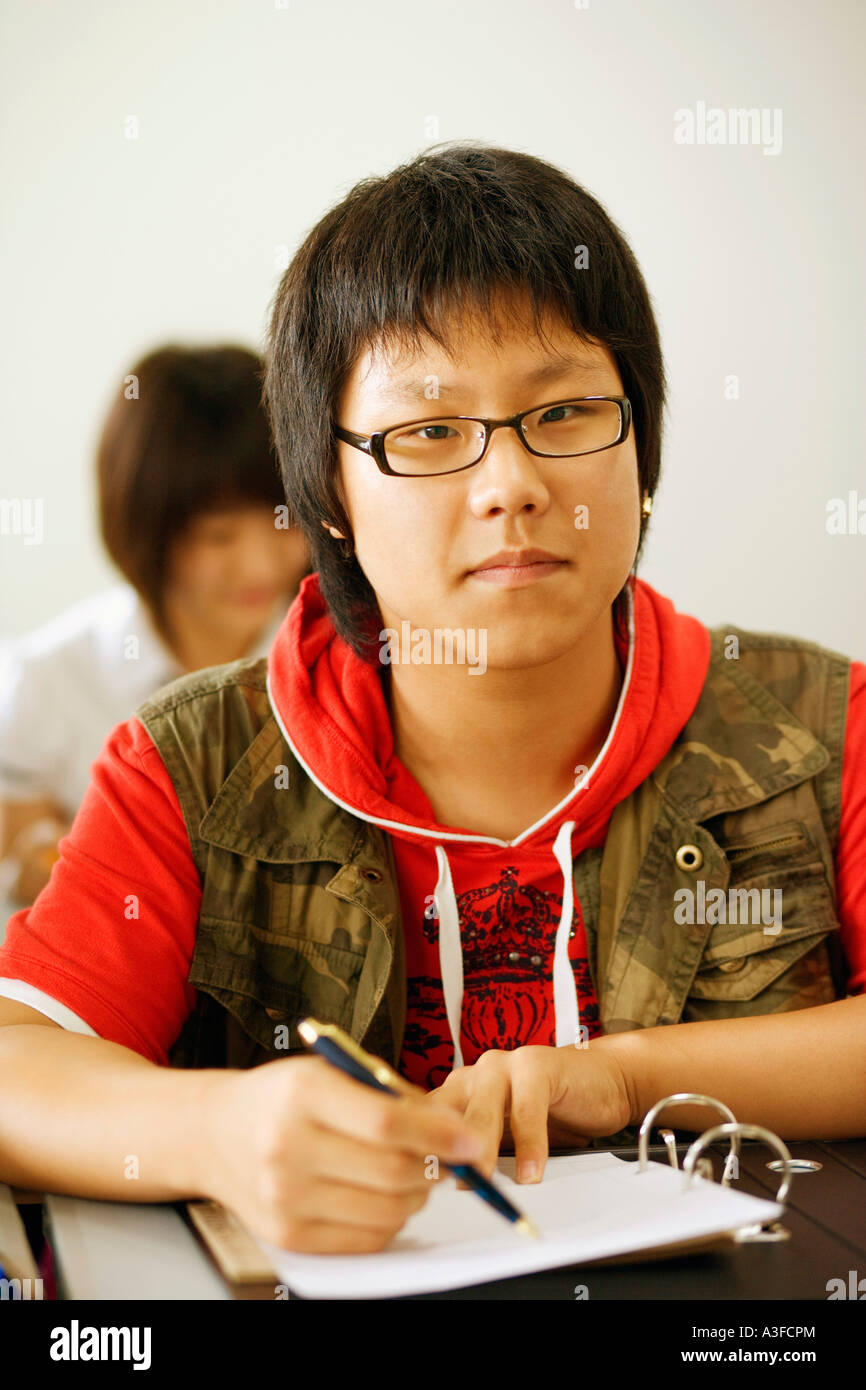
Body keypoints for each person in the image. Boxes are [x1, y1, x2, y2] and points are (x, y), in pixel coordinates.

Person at [0, 144, 864, 1259]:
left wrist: (619, 1076)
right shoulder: (191, 762)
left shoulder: (823, 725)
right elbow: (19, 1060)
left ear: (638, 446)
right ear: (329, 493)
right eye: (429, 433)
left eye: (562, 414)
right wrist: (220, 1127)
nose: (511, 483)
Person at [0, 344, 309, 905]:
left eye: (285, 522)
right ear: (147, 525)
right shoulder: (46, 684)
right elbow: (21, 863)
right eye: (220, 536)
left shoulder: (337, 658)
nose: (262, 565)